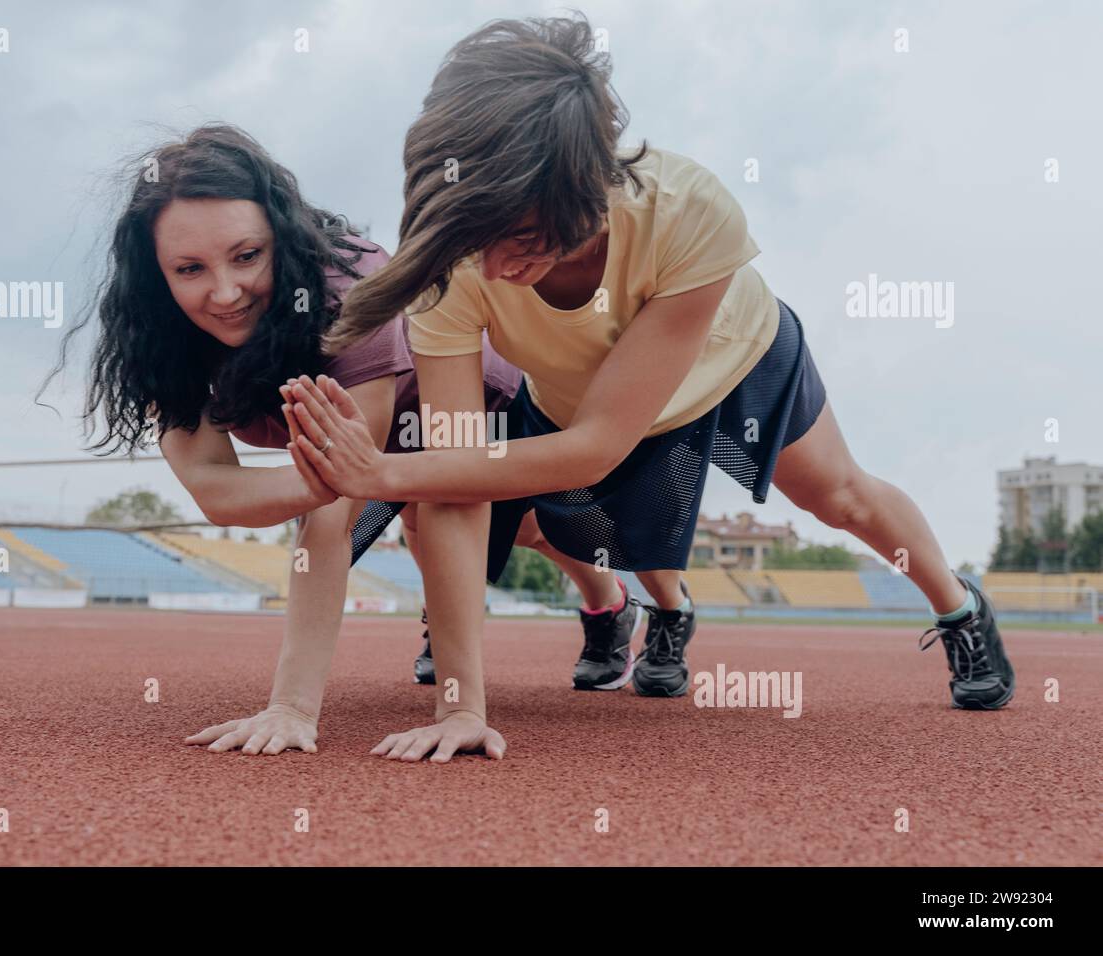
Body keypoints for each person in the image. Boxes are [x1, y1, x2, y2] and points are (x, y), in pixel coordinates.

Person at [281, 15, 1015, 763]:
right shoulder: (452, 260)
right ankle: (659, 611)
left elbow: (597, 447)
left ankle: (959, 609)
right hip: (578, 396)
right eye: (475, 235)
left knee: (839, 497)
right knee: (581, 529)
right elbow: (456, 480)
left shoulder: (690, 211)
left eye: (522, 239)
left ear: (586, 194)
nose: (493, 267)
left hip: (732, 359)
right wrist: (462, 706)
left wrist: (381, 472)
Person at [37, 124, 631, 758]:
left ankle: (607, 600)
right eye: (189, 269)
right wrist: (312, 478)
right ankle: (596, 604)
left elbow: (335, 510)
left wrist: (294, 706)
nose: (225, 292)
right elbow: (215, 488)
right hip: (360, 443)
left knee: (476, 521)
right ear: (156, 276)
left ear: (283, 239)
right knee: (464, 527)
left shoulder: (350, 288)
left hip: (471, 398)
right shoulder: (156, 337)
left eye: (247, 256)